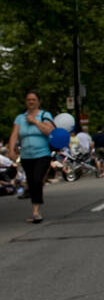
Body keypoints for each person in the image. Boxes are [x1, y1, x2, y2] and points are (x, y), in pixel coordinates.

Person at [6, 89, 55, 223]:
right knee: (32, 182)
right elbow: (14, 134)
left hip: (42, 154)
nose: (31, 102)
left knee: (37, 180)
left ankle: (36, 211)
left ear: (39, 102)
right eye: (28, 100)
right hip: (26, 156)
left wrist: (35, 122)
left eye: (34, 99)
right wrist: (11, 150)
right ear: (25, 102)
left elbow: (50, 131)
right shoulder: (20, 118)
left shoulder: (45, 115)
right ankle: (35, 209)